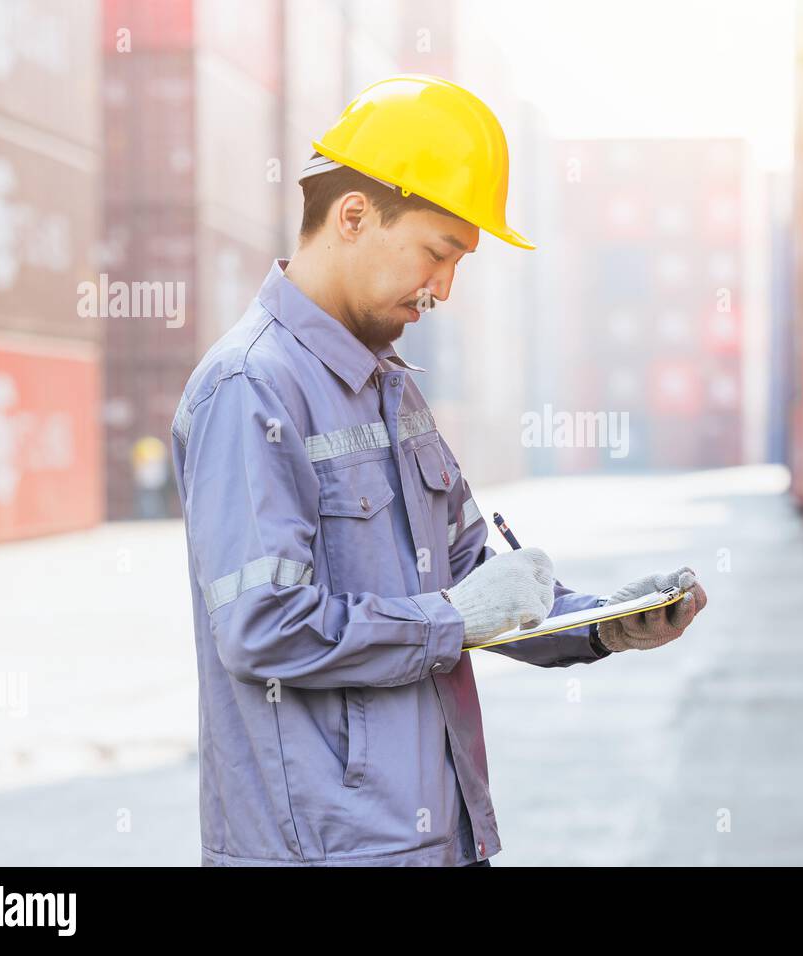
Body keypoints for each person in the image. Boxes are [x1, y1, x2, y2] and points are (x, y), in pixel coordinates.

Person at [170, 74, 707, 867]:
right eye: (437, 252)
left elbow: (470, 576)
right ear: (353, 216)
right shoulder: (252, 388)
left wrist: (597, 624)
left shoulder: (392, 388)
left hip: (441, 840)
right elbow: (265, 629)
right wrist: (455, 619)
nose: (446, 288)